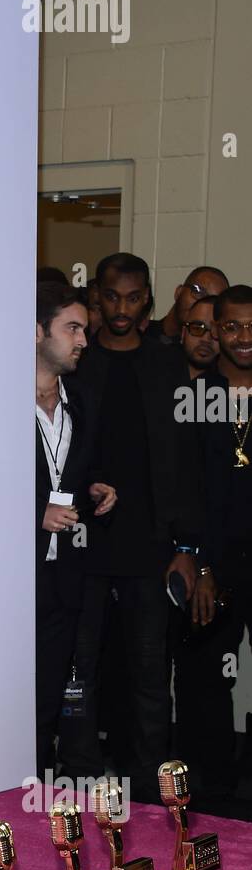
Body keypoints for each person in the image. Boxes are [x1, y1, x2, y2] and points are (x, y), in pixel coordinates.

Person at [57, 253, 204, 801]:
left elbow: (184, 461)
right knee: (80, 667)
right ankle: (77, 771)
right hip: (83, 541)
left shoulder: (167, 365)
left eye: (133, 297)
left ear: (147, 298)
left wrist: (186, 545)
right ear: (97, 296)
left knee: (148, 671)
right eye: (112, 297)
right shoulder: (79, 361)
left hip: (148, 546)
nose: (121, 309)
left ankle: (149, 780)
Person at [35, 283, 116, 778]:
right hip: (6, 584)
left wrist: (96, 487)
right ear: (37, 331)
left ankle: (40, 801)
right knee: (8, 704)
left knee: (50, 700)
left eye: (84, 328)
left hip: (66, 579)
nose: (84, 339)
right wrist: (31, 514)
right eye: (73, 328)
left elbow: (69, 475)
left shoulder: (80, 402)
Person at [177, 285, 252, 801]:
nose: (243, 338)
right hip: (215, 566)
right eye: (231, 326)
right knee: (207, 684)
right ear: (214, 329)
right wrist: (201, 566)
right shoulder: (195, 397)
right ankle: (215, 802)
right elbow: (185, 488)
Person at [147, 265, 228, 344]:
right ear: (179, 292)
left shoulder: (210, 352)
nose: (202, 304)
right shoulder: (141, 335)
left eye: (213, 301)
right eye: (198, 292)